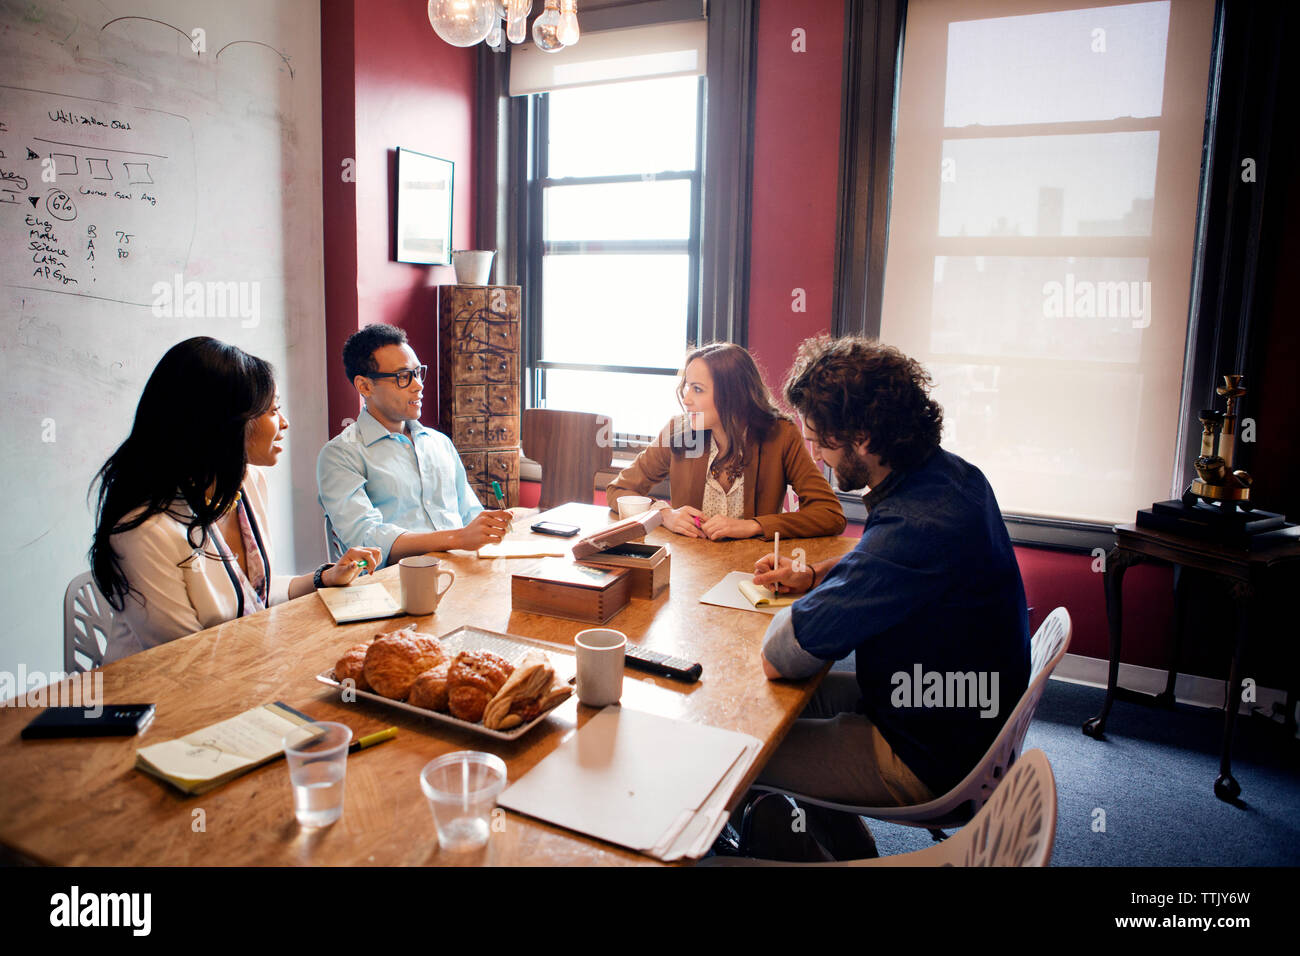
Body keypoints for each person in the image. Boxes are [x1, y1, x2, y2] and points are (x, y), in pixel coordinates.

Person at [752, 335, 1030, 810]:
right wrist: (817, 576)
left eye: (820, 439)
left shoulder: (915, 526)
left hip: (926, 754)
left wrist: (808, 605)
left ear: (862, 437)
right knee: (768, 709)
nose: (816, 453)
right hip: (945, 710)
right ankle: (820, 845)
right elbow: (884, 561)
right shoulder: (952, 477)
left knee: (741, 754)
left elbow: (780, 654)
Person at [90, 337, 380, 663]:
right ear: (223, 426)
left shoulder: (246, 483)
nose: (283, 423)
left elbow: (254, 594)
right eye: (272, 410)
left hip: (240, 674)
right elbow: (184, 660)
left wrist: (324, 578)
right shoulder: (145, 532)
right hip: (161, 699)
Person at [605, 343, 845, 540]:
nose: (686, 399)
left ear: (734, 394)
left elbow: (829, 513)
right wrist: (663, 514)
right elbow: (619, 490)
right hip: (687, 572)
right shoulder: (676, 431)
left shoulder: (781, 435)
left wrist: (755, 525)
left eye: (697, 389)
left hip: (752, 575)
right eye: (687, 387)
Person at [316, 323, 510, 565]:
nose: (418, 385)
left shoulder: (439, 443)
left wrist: (491, 526)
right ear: (364, 386)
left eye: (418, 373)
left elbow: (469, 514)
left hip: (460, 571)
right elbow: (367, 540)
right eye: (403, 377)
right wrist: (456, 538)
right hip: (395, 584)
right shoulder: (341, 454)